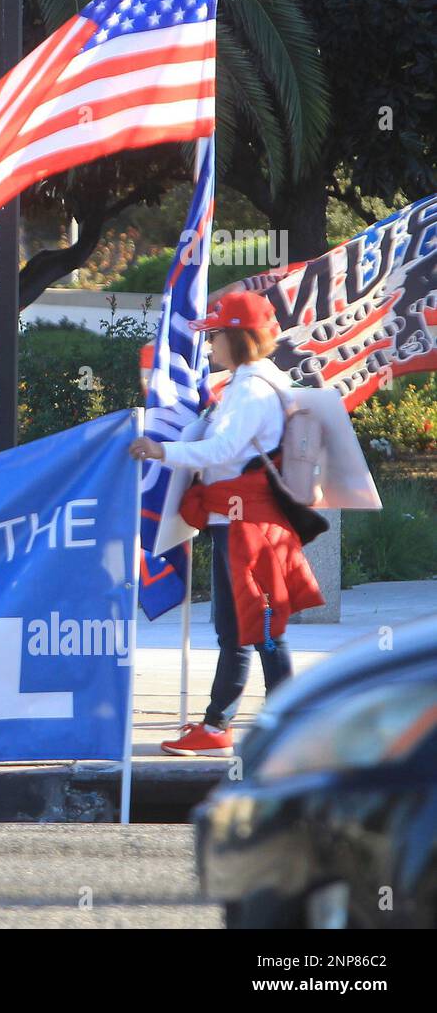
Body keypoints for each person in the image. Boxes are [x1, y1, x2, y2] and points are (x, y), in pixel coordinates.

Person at [128, 290, 323, 756]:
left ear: (238, 338)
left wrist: (162, 451)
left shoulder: (250, 390)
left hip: (244, 524)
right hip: (245, 521)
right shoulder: (255, 383)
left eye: (215, 335)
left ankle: (271, 726)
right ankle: (229, 724)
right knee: (244, 630)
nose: (209, 345)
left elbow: (222, 451)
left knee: (258, 630)